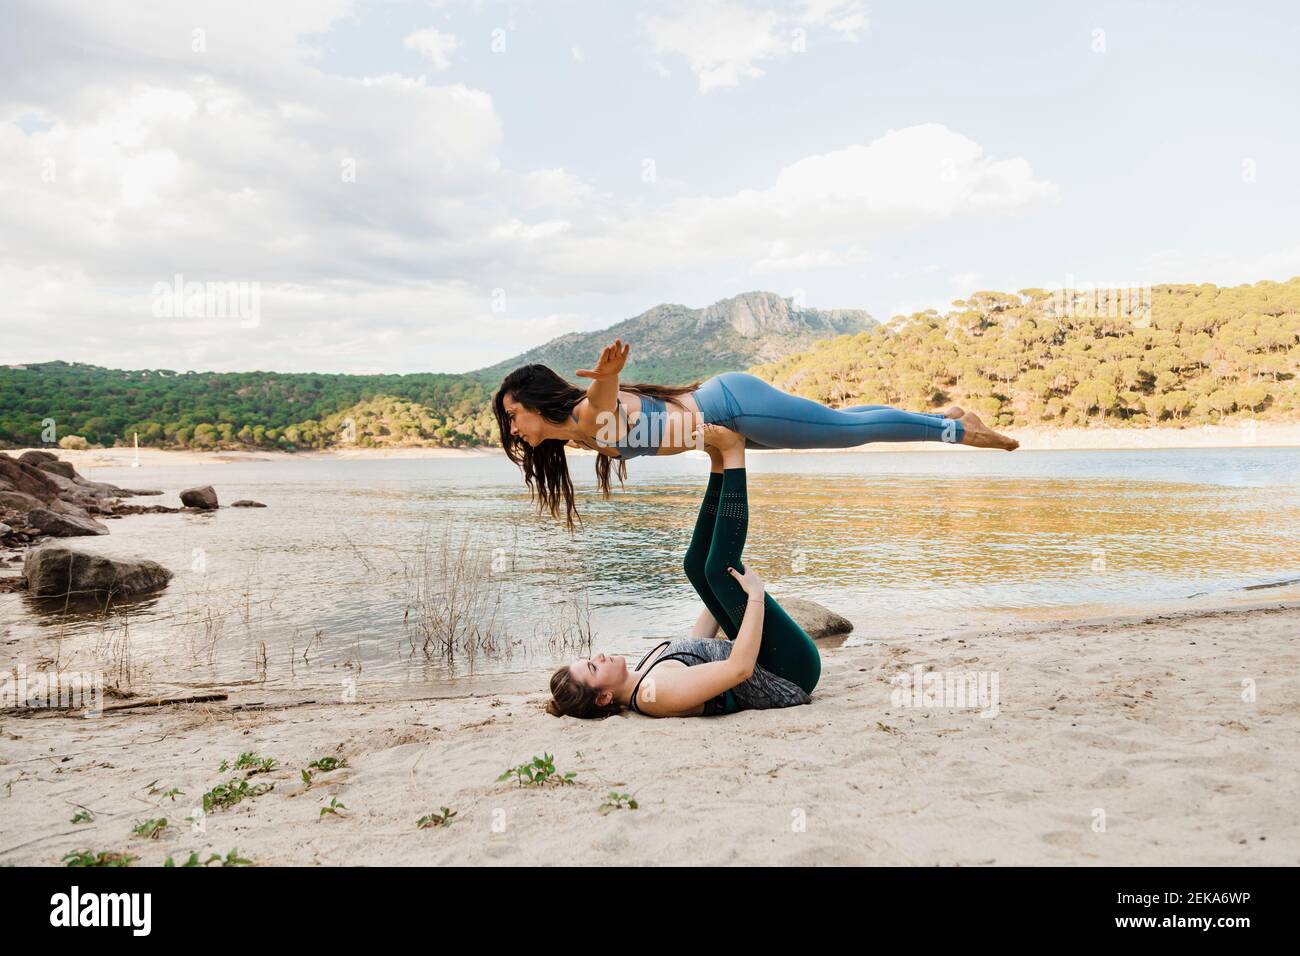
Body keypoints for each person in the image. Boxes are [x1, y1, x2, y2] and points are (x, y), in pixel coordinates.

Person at [495, 338, 1018, 530]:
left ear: (538, 405)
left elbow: (600, 405)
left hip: (736, 405)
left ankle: (955, 428)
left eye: (515, 414)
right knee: (845, 421)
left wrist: (606, 376)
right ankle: (946, 414)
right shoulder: (572, 438)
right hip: (733, 419)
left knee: (846, 431)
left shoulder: (586, 418)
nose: (514, 428)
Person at [546, 424, 820, 719]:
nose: (598, 656)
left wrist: (715, 593)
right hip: (789, 671)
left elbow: (696, 648)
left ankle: (717, 459)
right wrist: (754, 595)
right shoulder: (655, 694)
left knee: (696, 567)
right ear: (604, 698)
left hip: (770, 659)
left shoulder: (643, 675)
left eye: (589, 658)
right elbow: (740, 669)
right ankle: (732, 451)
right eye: (593, 667)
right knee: (718, 568)